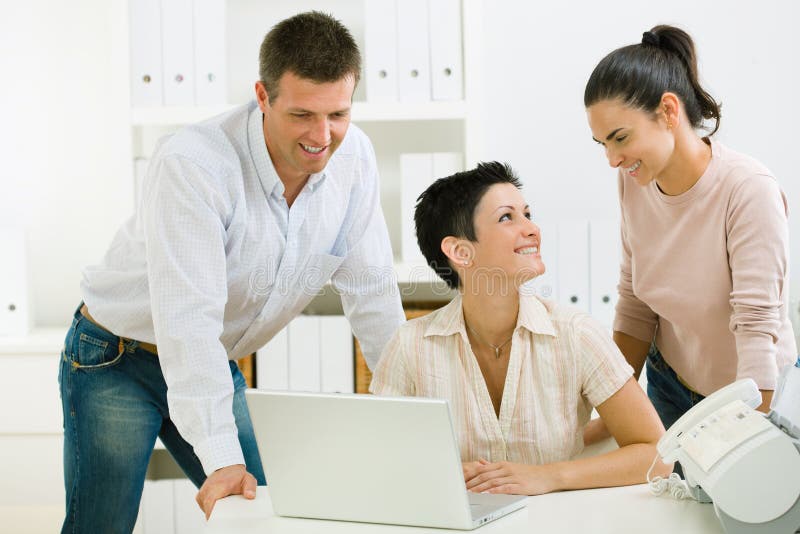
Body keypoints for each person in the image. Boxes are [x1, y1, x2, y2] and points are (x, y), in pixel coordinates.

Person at [59, 11, 404, 532]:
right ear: (262, 97)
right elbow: (188, 320)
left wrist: (412, 412)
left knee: (275, 511)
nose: (322, 135)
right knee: (102, 526)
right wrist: (220, 459)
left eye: (337, 114)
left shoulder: (353, 159)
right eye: (303, 114)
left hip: (209, 360)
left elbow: (373, 295)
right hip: (117, 356)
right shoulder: (194, 164)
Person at [370, 162, 672, 495]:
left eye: (527, 214)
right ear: (460, 251)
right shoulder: (409, 347)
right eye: (506, 217)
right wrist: (444, 473)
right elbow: (378, 460)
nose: (531, 229)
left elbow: (657, 455)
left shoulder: (577, 335)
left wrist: (548, 476)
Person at [583, 25, 797, 446]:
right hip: (670, 388)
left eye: (620, 138)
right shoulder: (635, 181)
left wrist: (754, 440)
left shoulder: (747, 189)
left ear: (667, 111)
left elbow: (757, 330)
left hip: (752, 395)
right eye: (601, 144)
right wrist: (610, 414)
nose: (612, 159)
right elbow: (635, 303)